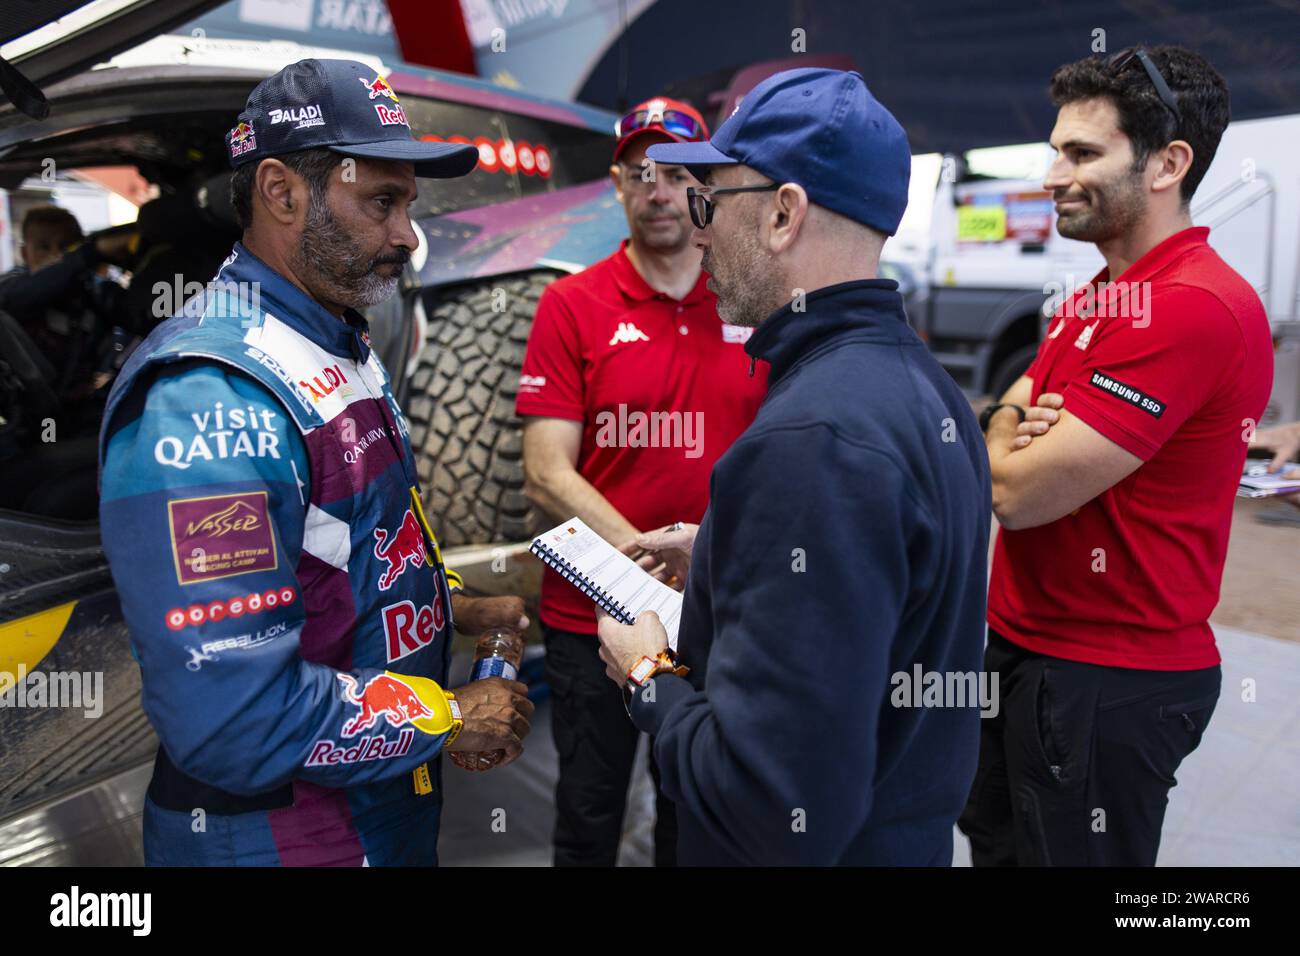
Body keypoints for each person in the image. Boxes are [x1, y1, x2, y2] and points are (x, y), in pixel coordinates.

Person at [97, 59, 534, 866]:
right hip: (282, 839)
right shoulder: (211, 398)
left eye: (408, 203)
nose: (409, 233)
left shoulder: (333, 335)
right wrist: (446, 715)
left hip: (377, 814)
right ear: (281, 191)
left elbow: (341, 549)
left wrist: (451, 606)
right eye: (382, 201)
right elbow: (236, 717)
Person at [593, 68, 991, 866]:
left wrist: (647, 675)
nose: (697, 230)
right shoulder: (926, 392)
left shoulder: (811, 439)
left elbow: (775, 805)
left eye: (710, 201)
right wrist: (729, 556)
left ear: (782, 214)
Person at [958, 46, 1273, 866]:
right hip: (1025, 641)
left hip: (1105, 676)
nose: (1051, 175)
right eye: (1057, 149)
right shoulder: (1107, 287)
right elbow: (1020, 393)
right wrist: (1012, 416)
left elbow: (1016, 492)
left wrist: (1003, 436)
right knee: (995, 845)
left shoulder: (1190, 307)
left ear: (1169, 163)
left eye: (1083, 153)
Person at [518, 96, 768, 866]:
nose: (658, 190)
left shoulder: (751, 302)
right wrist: (641, 556)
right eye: (640, 173)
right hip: (594, 612)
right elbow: (543, 469)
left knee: (694, 807)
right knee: (589, 807)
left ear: (705, 187)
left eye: (676, 173)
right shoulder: (571, 304)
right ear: (618, 185)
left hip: (717, 605)